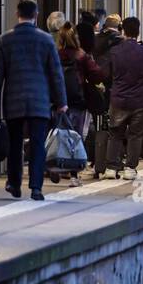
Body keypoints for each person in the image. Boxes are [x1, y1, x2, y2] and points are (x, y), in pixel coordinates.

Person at [0, 0, 67, 201]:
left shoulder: (4, 40)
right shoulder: (46, 40)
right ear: (36, 15)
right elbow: (55, 73)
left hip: (13, 100)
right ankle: (36, 187)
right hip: (39, 100)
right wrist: (61, 101)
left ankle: (14, 184)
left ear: (17, 13)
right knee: (38, 144)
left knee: (14, 144)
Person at [100, 16, 143, 180]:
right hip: (139, 99)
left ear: (123, 31)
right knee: (135, 135)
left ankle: (111, 168)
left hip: (118, 98)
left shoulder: (115, 51)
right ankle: (130, 168)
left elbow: (105, 72)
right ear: (138, 31)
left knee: (115, 134)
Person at [56, 23, 106, 186]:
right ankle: (73, 176)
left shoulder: (55, 54)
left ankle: (56, 165)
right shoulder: (81, 55)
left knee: (59, 134)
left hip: (58, 101)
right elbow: (97, 75)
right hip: (78, 100)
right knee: (77, 136)